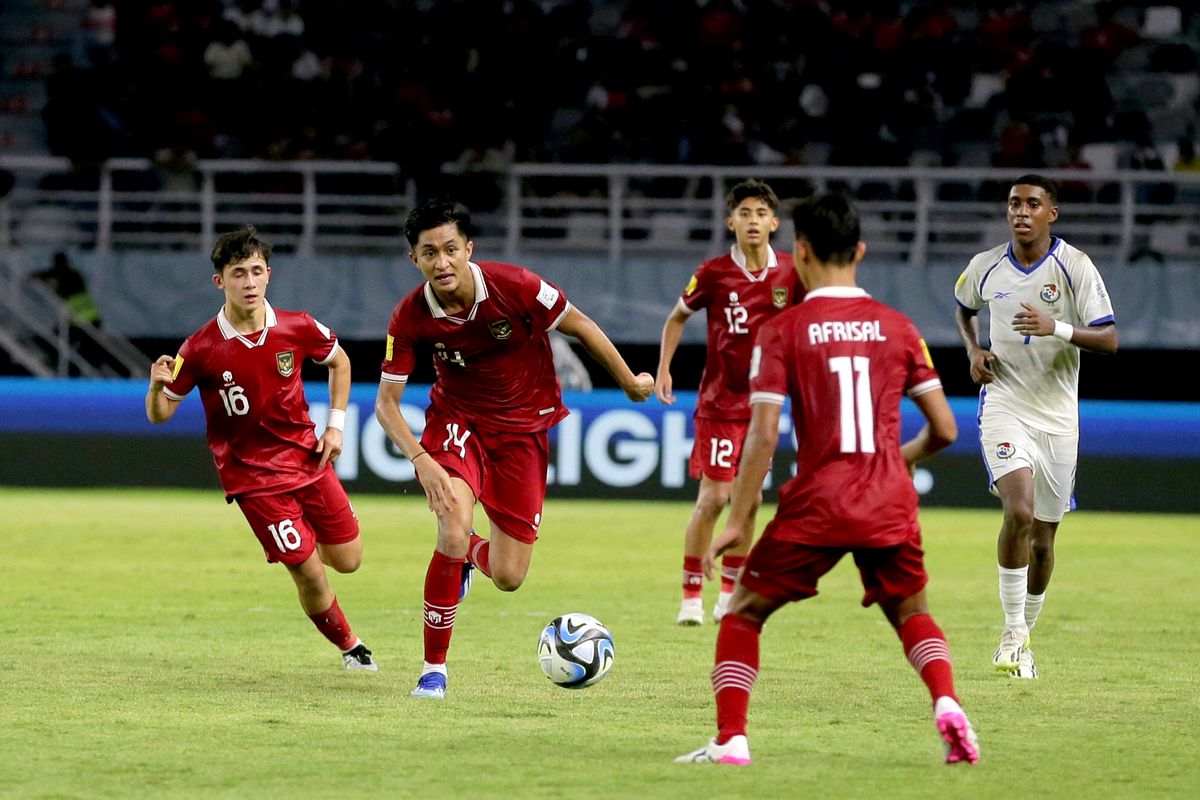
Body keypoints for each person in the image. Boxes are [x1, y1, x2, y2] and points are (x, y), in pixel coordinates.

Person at [677, 192, 978, 767]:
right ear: (860, 250)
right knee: (913, 613)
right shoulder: (899, 327)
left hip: (817, 503)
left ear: (803, 251)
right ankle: (947, 705)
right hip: (887, 499)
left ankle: (731, 740)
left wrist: (739, 521)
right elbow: (944, 428)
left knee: (743, 613)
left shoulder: (784, 329)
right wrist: (903, 458)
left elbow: (763, 437)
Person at [375, 199, 654, 700]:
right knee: (452, 524)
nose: (442, 262)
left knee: (507, 575)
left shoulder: (518, 285)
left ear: (469, 250)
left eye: (451, 249)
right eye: (429, 252)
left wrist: (631, 382)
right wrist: (422, 460)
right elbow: (386, 405)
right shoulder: (410, 316)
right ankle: (433, 671)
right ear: (413, 259)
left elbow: (582, 326)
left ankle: (468, 558)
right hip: (458, 425)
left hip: (523, 432)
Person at [145, 225, 376, 672]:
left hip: (309, 461)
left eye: (255, 272)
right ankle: (352, 647)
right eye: (237, 274)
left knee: (348, 560)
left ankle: (312, 542)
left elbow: (341, 362)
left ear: (268, 274)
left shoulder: (297, 326)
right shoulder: (200, 348)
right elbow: (160, 413)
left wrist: (336, 427)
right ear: (220, 281)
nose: (248, 283)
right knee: (308, 570)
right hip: (253, 479)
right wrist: (156, 388)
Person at [954, 174, 1117, 680]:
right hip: (1005, 404)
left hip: (1059, 417)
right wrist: (973, 349)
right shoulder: (985, 267)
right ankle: (1011, 635)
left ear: (1052, 213)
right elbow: (964, 309)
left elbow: (1109, 339)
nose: (1020, 212)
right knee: (1018, 511)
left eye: (1031, 204)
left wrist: (1057, 328)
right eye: (1013, 204)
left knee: (1044, 541)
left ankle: (1026, 635)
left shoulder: (1075, 267)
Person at [655, 178, 803, 626]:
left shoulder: (793, 273)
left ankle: (728, 594)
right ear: (730, 221)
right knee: (716, 497)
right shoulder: (714, 272)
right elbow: (677, 317)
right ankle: (690, 595)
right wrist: (664, 368)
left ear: (774, 223)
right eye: (744, 213)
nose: (752, 221)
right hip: (720, 403)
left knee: (752, 499)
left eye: (760, 213)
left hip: (765, 407)